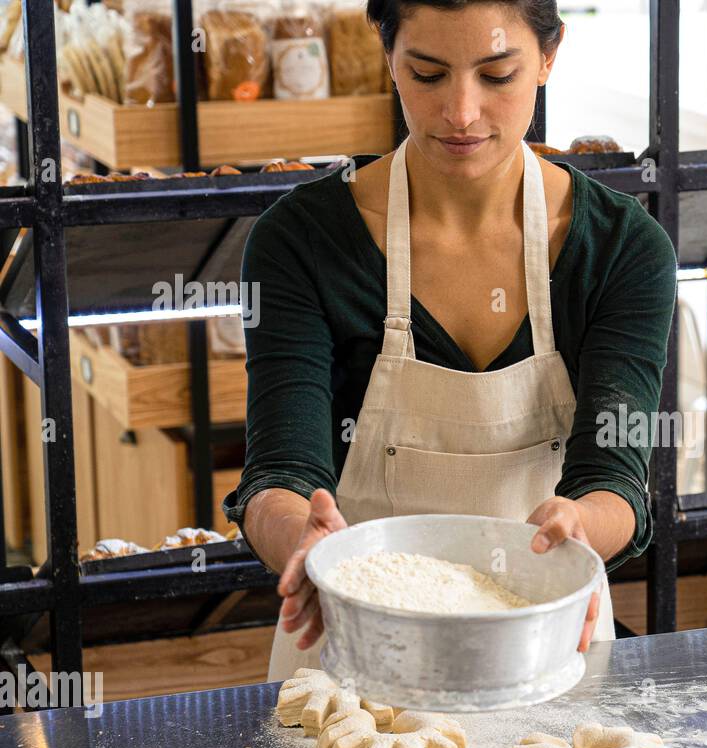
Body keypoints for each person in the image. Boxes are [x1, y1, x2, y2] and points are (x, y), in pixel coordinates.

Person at [222, 0, 678, 680]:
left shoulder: (620, 249)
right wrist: (303, 542)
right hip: (356, 646)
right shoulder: (302, 240)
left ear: (549, 58)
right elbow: (280, 475)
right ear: (388, 55)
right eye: (428, 74)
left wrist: (580, 530)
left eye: (497, 76)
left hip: (544, 638)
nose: (460, 113)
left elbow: (616, 483)